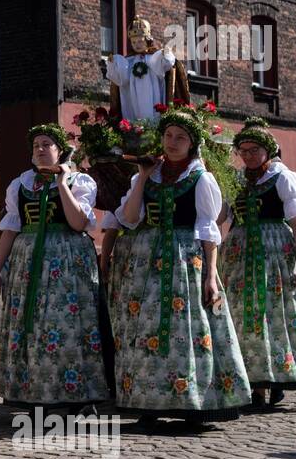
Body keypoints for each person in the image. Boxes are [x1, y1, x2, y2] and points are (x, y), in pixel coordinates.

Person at [107, 106, 252, 429]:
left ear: (192, 144)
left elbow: (208, 230)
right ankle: (147, 402)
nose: (172, 142)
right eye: (168, 136)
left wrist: (211, 275)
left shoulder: (201, 178)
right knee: (145, 329)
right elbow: (129, 218)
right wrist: (143, 177)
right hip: (147, 262)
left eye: (180, 138)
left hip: (187, 260)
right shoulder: (145, 176)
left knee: (189, 329)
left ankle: (193, 403)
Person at [0, 124, 107, 411]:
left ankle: (74, 394)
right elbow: (10, 230)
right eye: (36, 146)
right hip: (27, 263)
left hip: (67, 264)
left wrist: (63, 184)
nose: (41, 150)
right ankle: (34, 390)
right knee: (31, 327)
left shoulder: (79, 181)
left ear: (60, 150)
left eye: (47, 144)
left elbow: (78, 223)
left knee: (64, 325)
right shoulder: (21, 184)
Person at [219, 118, 296, 407]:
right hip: (239, 255)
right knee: (244, 315)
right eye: (243, 150)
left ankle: (276, 376)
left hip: (275, 253)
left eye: (254, 149)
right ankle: (254, 383)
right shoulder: (236, 179)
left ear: (268, 151)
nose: (248, 155)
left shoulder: (281, 177)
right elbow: (219, 218)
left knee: (273, 314)